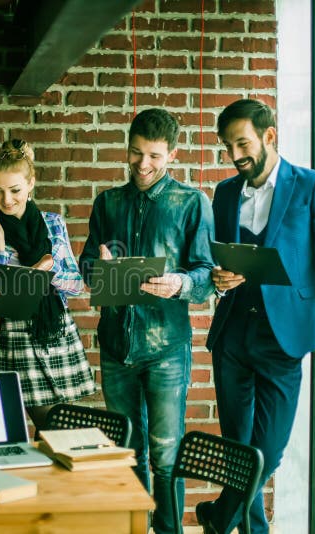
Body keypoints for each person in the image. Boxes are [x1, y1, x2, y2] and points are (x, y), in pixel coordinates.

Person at [199, 99, 315, 534]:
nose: (235, 156)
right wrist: (220, 275)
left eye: (242, 143)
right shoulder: (226, 192)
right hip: (233, 335)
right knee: (239, 450)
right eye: (227, 146)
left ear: (270, 136)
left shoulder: (313, 187)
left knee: (266, 452)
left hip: (283, 338)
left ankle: (218, 517)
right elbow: (221, 258)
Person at [79, 108, 215, 534]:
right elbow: (84, 266)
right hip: (116, 345)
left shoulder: (192, 203)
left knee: (167, 453)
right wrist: (95, 269)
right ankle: (135, 529)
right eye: (136, 153)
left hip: (166, 350)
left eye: (154, 156)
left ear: (172, 154)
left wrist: (179, 283)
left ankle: (170, 531)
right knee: (127, 450)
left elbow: (208, 275)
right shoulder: (108, 202)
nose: (143, 165)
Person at [0, 139, 97, 429]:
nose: (7, 200)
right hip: (19, 339)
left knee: (62, 433)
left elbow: (76, 285)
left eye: (15, 190)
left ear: (31, 184)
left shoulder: (52, 223)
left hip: (57, 331)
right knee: (49, 427)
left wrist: (47, 273)